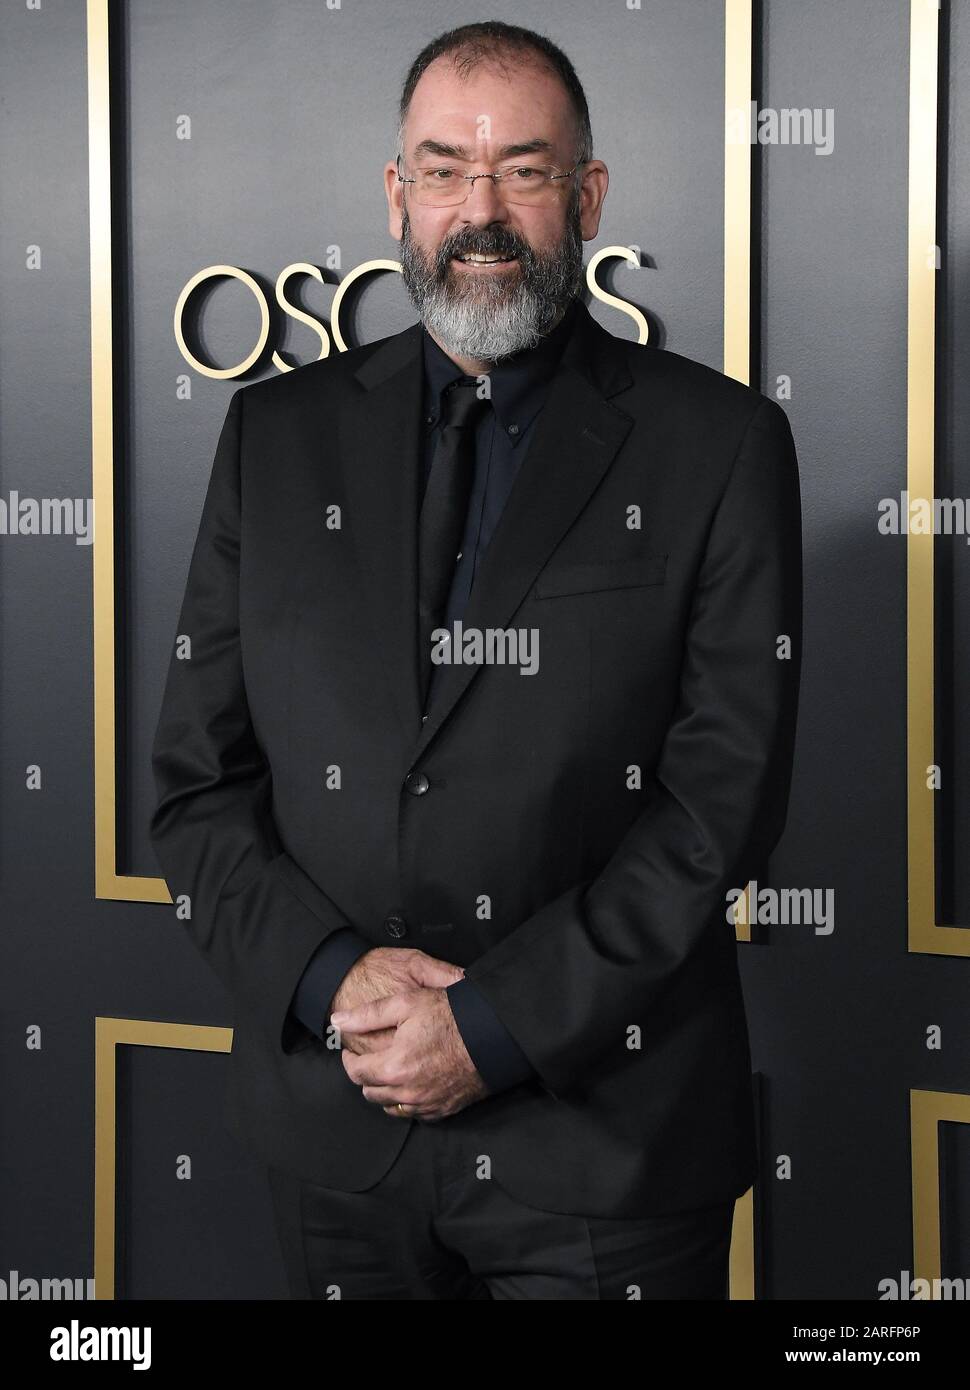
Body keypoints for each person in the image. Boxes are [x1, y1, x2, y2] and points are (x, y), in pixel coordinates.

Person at [149, 19, 802, 1300]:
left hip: (606, 1143)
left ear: (587, 193)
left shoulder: (715, 443)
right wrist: (338, 987)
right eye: (444, 169)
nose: (480, 211)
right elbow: (194, 784)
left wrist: (491, 1027)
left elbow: (718, 803)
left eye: (523, 169)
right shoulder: (273, 440)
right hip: (337, 1134)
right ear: (397, 195)